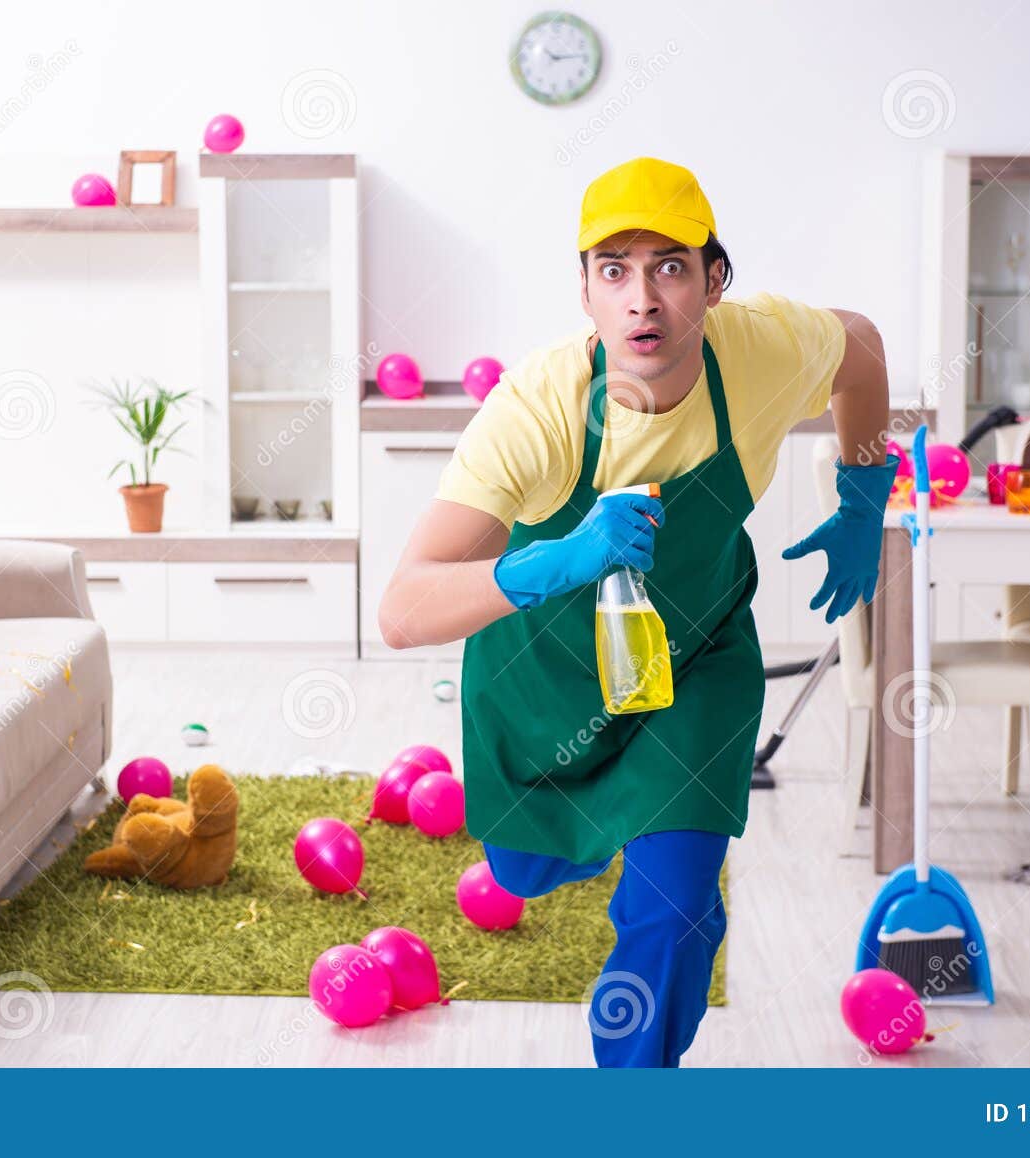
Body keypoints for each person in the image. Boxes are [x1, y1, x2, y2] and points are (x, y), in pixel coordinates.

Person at [379, 157, 897, 1067]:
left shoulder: (764, 347)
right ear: (584, 289)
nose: (642, 298)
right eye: (614, 269)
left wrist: (864, 496)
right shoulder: (534, 411)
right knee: (526, 870)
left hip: (694, 665)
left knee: (675, 903)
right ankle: (587, 842)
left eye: (669, 267)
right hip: (547, 686)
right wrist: (556, 558)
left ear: (713, 281)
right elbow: (402, 607)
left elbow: (863, 347)